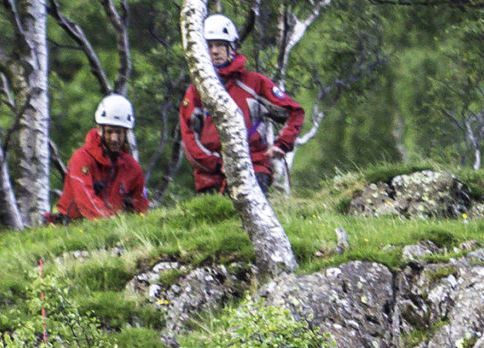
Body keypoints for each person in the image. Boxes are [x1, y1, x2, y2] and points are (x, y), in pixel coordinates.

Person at [178, 14, 304, 195]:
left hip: (254, 168)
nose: (214, 51)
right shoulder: (196, 91)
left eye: (220, 45)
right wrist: (218, 164)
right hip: (211, 176)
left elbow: (294, 112)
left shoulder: (255, 83)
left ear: (232, 47)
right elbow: (190, 140)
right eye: (209, 45)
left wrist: (282, 144)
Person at [52, 95, 148, 223]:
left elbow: (141, 208)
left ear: (127, 132)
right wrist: (112, 222)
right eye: (109, 132)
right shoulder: (81, 159)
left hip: (116, 230)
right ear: (99, 130)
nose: (114, 138)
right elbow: (85, 201)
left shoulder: (132, 168)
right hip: (75, 227)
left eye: (119, 132)